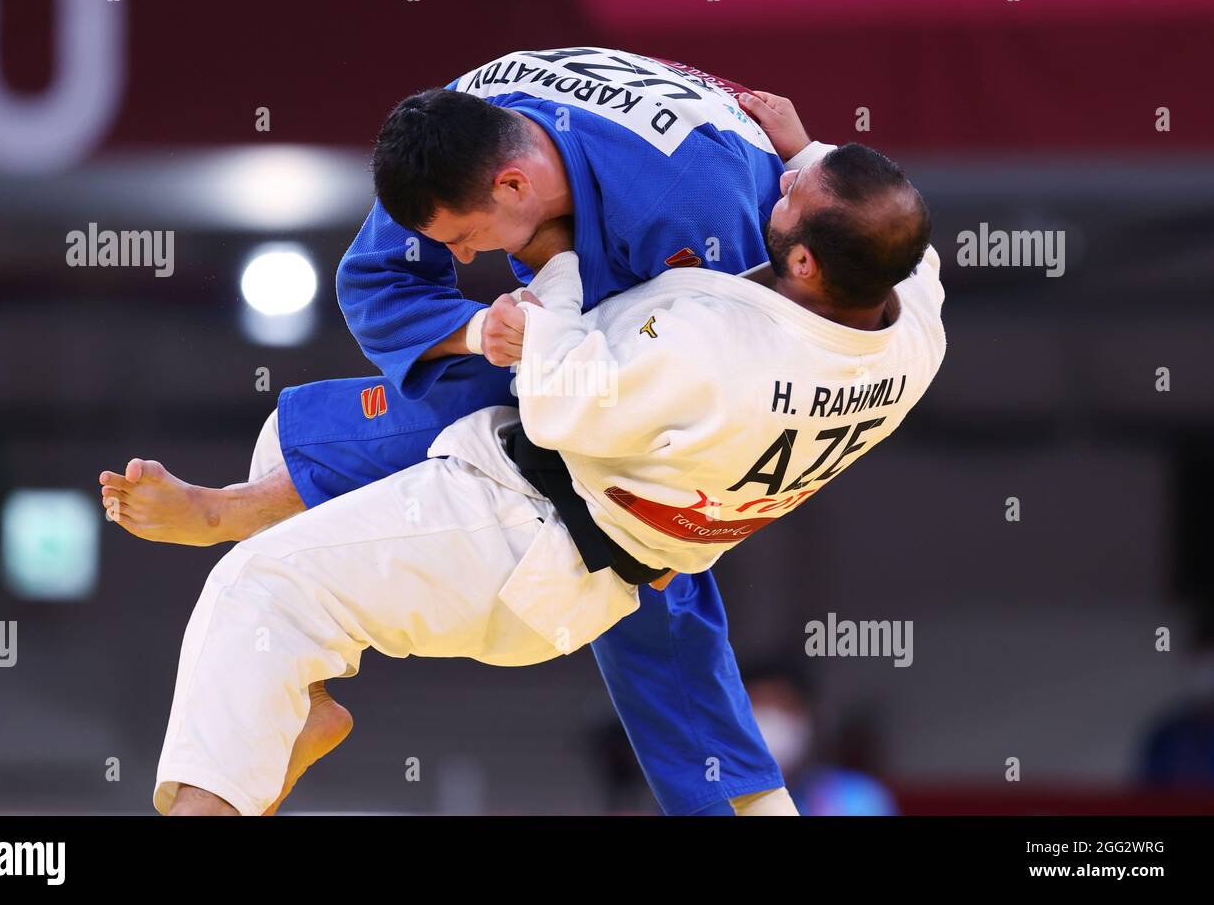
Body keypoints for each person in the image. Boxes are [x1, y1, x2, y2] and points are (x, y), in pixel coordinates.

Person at [103, 47, 921, 815]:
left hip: (628, 474)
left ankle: (248, 508)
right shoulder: (462, 125)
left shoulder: (723, 248)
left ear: (513, 186)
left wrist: (558, 285)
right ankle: (278, 586)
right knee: (368, 421)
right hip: (607, 432)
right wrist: (477, 326)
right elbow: (382, 282)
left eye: (463, 241)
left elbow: (597, 404)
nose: (459, 253)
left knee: (645, 567)